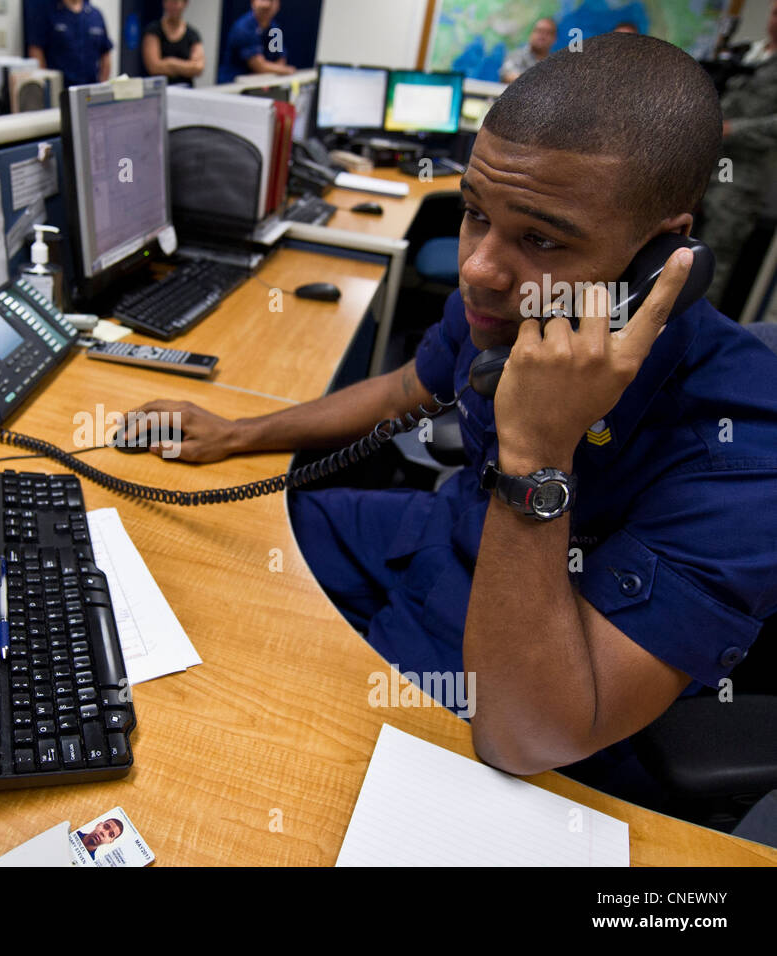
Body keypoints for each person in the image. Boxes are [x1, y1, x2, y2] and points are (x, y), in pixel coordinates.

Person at [121, 34, 777, 799]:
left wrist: (538, 451)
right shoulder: (511, 301)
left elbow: (527, 733)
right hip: (440, 539)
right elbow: (410, 386)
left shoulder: (746, 440)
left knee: (275, 749)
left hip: (539, 654)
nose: (478, 270)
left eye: (540, 237)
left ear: (661, 259)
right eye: (474, 214)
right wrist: (239, 435)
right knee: (201, 549)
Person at [696, 0, 777, 306]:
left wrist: (734, 129)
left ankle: (696, 336)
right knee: (678, 245)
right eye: (774, 11)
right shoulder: (747, 52)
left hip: (742, 173)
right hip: (708, 163)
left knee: (714, 257)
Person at [27, 0, 114, 88]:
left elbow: (105, 55)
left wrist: (101, 88)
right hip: (60, 92)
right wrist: (46, 88)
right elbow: (36, 51)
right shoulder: (46, 12)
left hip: (89, 92)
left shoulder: (95, 15)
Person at [218, 0, 293, 84]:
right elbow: (259, 66)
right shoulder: (243, 27)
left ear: (278, 5)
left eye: (271, 1)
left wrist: (279, 69)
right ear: (253, 3)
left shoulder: (275, 28)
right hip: (234, 86)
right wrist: (286, 70)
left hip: (261, 84)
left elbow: (280, 59)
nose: (267, 5)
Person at [142, 0, 204, 85]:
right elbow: (154, 67)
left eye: (176, 2)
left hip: (186, 92)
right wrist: (186, 67)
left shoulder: (193, 35)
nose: (173, 6)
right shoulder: (153, 31)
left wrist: (170, 63)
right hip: (159, 91)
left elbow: (198, 68)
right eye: (169, 1)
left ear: (185, 4)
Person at [499, 17, 556, 83]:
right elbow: (508, 76)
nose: (543, 36)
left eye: (548, 33)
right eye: (539, 31)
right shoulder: (516, 55)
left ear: (554, 39)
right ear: (531, 34)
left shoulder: (555, 64)